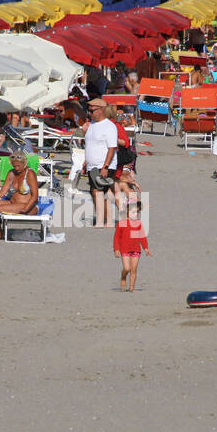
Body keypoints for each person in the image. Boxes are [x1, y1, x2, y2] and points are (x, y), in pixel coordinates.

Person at [0, 152, 39, 241]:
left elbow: (35, 196)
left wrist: (26, 208)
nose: (16, 168)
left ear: (24, 163)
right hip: (13, 204)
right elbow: (2, 192)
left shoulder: (30, 173)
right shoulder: (11, 173)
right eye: (14, 166)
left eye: (18, 166)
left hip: (28, 206)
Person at [81, 98, 119, 228]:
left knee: (98, 191)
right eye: (89, 110)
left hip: (104, 165)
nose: (90, 113)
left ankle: (100, 221)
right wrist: (86, 162)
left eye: (92, 110)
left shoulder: (109, 126)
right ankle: (107, 221)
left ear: (101, 110)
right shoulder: (91, 125)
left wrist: (106, 167)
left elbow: (112, 148)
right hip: (93, 165)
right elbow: (90, 145)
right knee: (99, 192)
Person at [112, 199, 151, 292]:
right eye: (133, 212)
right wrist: (116, 249)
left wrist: (146, 248)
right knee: (127, 268)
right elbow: (116, 237)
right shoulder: (121, 223)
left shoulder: (138, 224)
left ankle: (131, 288)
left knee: (133, 270)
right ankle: (123, 277)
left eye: (137, 212)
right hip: (124, 249)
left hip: (136, 250)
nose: (135, 214)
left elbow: (142, 237)